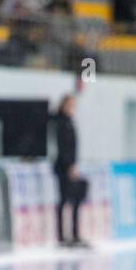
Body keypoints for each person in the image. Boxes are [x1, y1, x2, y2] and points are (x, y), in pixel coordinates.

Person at [52, 94, 89, 248]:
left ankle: (73, 234)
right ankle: (62, 236)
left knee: (74, 199)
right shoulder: (61, 123)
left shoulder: (69, 122)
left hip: (68, 165)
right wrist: (69, 166)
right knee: (64, 200)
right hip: (63, 167)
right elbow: (63, 147)